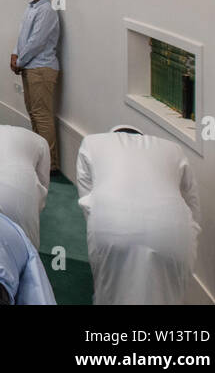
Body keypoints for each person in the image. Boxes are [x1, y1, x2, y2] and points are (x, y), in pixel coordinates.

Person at [76, 127, 200, 305]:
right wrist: (190, 232)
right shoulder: (174, 149)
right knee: (169, 296)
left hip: (112, 223)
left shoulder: (91, 142)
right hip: (174, 229)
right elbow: (192, 203)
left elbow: (87, 202)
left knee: (111, 293)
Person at [12, 0, 62, 172]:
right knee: (34, 113)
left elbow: (37, 42)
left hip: (41, 68)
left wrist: (20, 61)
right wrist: (15, 54)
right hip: (30, 66)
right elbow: (23, 36)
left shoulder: (47, 10)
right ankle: (40, 156)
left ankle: (50, 164)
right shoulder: (32, 7)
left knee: (42, 116)